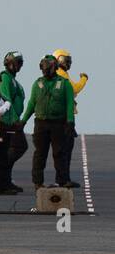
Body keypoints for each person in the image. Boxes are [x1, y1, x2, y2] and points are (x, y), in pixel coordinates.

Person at [21, 54, 76, 189]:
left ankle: (63, 181)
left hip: (58, 124)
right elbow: (31, 104)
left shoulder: (64, 84)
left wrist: (70, 122)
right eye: (43, 68)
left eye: (48, 68)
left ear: (54, 68)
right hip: (41, 124)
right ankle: (38, 183)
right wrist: (23, 121)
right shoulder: (38, 83)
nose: (45, 71)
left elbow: (69, 104)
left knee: (59, 153)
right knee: (40, 154)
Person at [53, 49, 86, 189]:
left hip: (64, 117)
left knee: (65, 149)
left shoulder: (61, 74)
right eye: (67, 60)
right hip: (65, 118)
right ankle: (63, 179)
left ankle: (64, 178)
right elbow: (75, 89)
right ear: (59, 60)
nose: (69, 63)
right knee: (65, 149)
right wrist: (84, 78)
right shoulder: (61, 75)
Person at [0, 51, 28, 190]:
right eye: (18, 63)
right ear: (9, 63)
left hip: (13, 121)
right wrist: (16, 120)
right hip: (9, 122)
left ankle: (5, 179)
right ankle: (1, 177)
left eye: (21, 63)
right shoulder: (5, 78)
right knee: (18, 147)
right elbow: (6, 99)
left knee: (14, 148)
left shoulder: (13, 80)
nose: (19, 66)